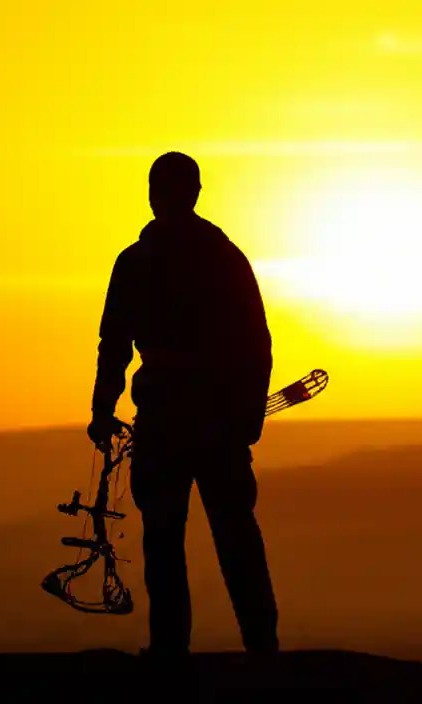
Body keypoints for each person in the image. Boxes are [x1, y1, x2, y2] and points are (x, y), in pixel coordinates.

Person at [87, 151, 278, 659]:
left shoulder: (139, 262)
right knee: (223, 534)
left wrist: (103, 410)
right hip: (209, 421)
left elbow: (114, 345)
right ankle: (256, 647)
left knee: (174, 536)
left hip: (177, 421)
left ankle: (178, 650)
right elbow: (258, 345)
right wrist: (248, 419)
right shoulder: (222, 259)